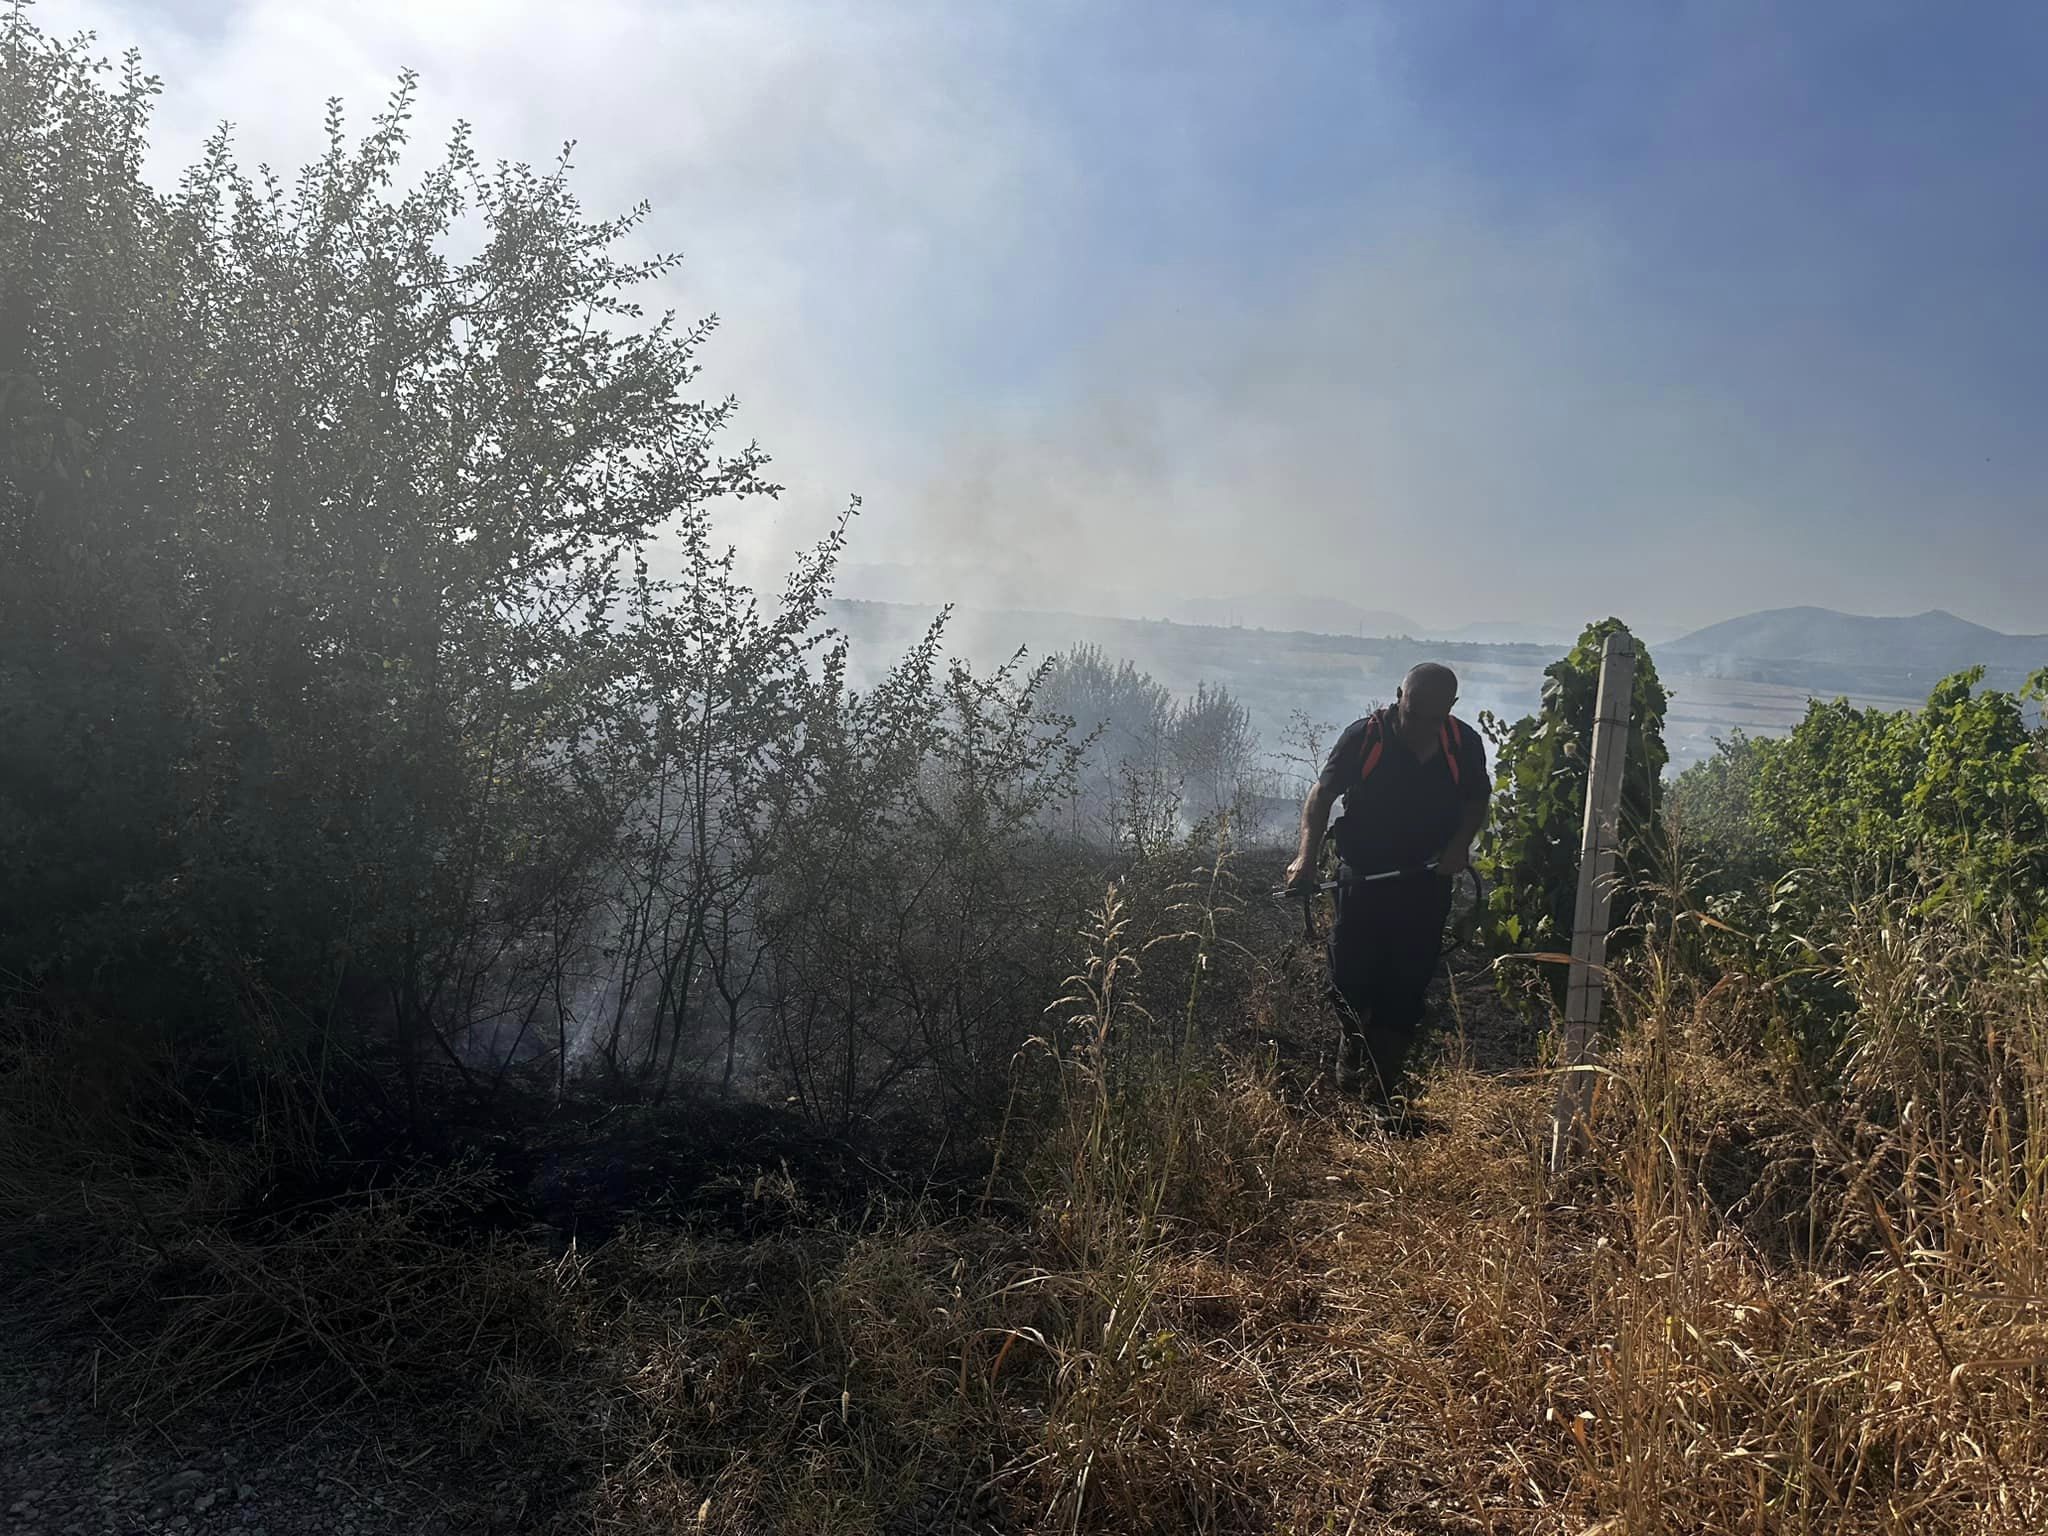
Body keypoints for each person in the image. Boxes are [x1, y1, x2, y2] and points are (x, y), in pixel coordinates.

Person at [1284, 663, 1491, 1100]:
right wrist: (1304, 858)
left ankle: (1381, 1092)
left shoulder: (1464, 745)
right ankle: (1351, 1043)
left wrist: (1459, 847)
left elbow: (1476, 801)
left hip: (1426, 883)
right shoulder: (1365, 738)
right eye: (1413, 714)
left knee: (1406, 984)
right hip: (1362, 880)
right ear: (1399, 695)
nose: (1420, 727)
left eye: (1433, 719)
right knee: (1349, 978)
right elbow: (1321, 797)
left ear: (1451, 709)